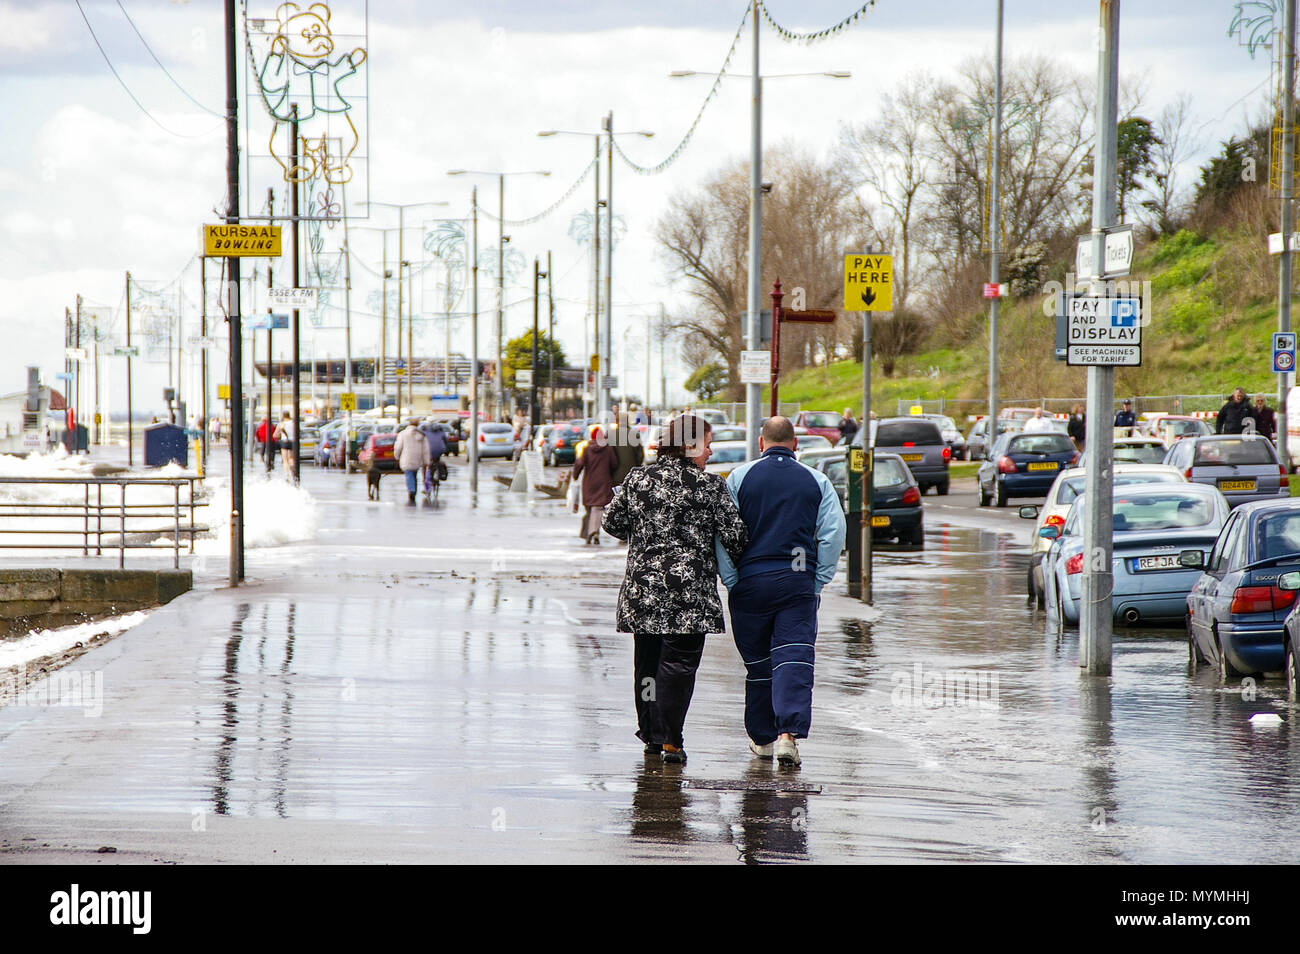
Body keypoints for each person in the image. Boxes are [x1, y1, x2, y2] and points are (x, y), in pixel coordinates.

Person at [602, 414, 749, 764]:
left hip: (644, 592)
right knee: (679, 666)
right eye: (707, 444)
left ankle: (651, 734)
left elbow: (611, 523)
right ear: (689, 445)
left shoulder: (638, 480)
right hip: (688, 595)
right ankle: (671, 738)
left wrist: (645, 537)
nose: (710, 452)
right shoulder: (709, 486)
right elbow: (736, 537)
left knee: (648, 665)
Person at [716, 416, 847, 768]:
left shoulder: (740, 478)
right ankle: (788, 736)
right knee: (793, 657)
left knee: (759, 665)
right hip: (796, 579)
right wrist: (818, 578)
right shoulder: (816, 481)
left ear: (761, 444)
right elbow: (834, 533)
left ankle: (761, 739)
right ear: (796, 445)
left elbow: (721, 532)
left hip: (750, 582)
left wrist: (731, 577)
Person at [572, 424, 617, 545]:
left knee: (591, 508)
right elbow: (614, 464)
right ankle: (594, 531)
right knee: (598, 508)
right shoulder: (608, 449)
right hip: (604, 481)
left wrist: (575, 476)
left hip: (589, 483)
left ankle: (590, 532)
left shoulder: (587, 449)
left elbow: (579, 464)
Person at [394, 417, 430, 504]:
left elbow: (398, 447)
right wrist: (426, 461)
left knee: (409, 475)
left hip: (406, 458)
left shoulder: (403, 434)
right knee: (414, 474)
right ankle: (414, 490)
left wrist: (397, 456)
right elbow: (426, 449)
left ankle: (412, 491)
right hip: (417, 459)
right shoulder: (422, 435)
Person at [610, 411, 644, 488]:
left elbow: (607, 457)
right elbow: (640, 456)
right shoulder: (634, 434)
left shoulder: (611, 434)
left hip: (615, 477)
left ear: (617, 421)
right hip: (631, 475)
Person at [419, 419, 448, 495]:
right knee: (437, 460)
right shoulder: (440, 430)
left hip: (428, 451)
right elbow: (445, 440)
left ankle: (425, 484)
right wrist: (445, 448)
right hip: (440, 450)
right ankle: (439, 473)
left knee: (425, 465)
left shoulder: (424, 430)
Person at [273, 411, 295, 476]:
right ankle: (293, 472)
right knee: (291, 458)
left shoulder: (281, 424)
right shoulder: (293, 423)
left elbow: (274, 435)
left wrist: (279, 435)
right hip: (292, 441)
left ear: (283, 416)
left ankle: (287, 474)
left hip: (284, 441)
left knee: (285, 459)